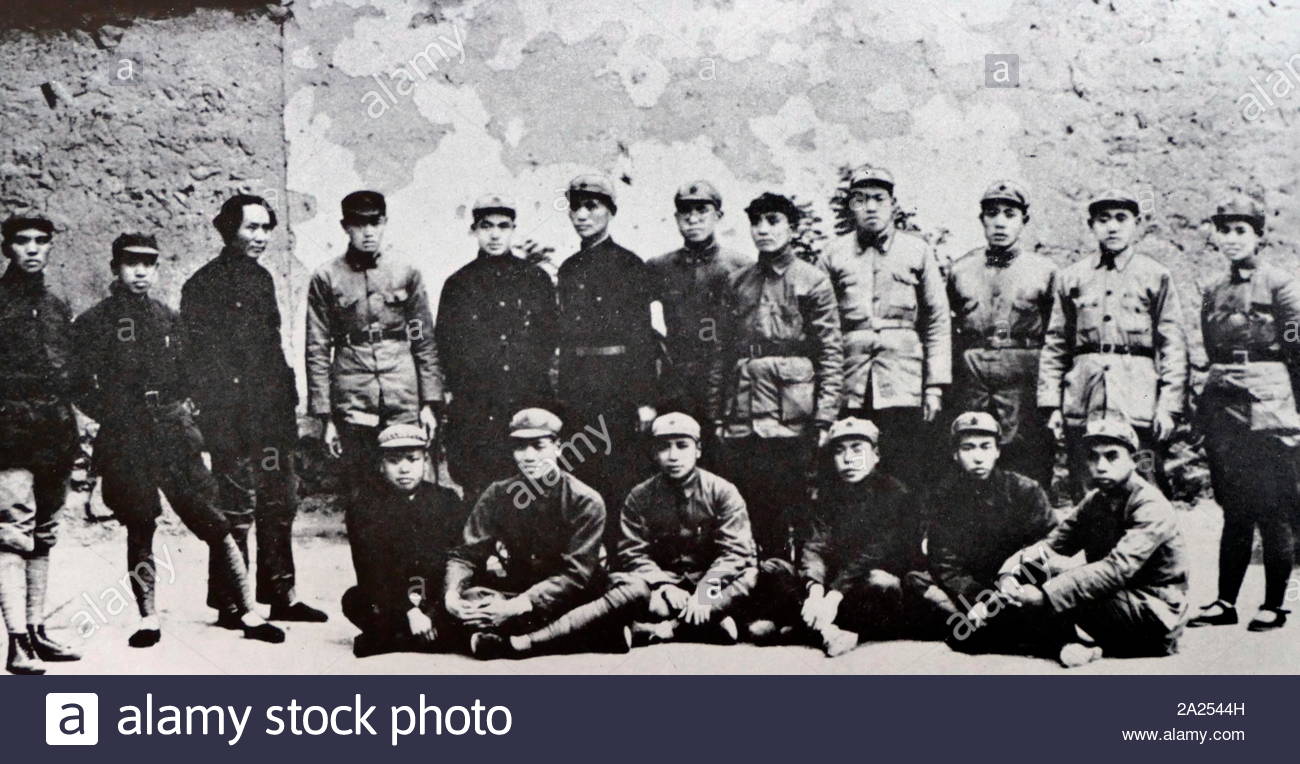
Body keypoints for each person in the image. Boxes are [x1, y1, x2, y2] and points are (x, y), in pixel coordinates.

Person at [74, 233, 286, 648]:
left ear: (156, 269)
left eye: (148, 264)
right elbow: (80, 385)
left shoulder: (169, 319)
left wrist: (184, 411)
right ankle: (148, 617)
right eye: (131, 263)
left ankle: (247, 609)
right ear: (115, 267)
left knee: (213, 519)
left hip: (172, 430)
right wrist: (113, 415)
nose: (140, 271)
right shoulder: (93, 323)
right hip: (126, 435)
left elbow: (191, 371)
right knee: (140, 523)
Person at [182, 194, 326, 627]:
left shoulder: (262, 279)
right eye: (252, 228)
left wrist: (288, 404)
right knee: (236, 511)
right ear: (229, 230)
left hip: (272, 418)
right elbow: (196, 361)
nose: (261, 237)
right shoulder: (202, 285)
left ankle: (281, 595)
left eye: (266, 228)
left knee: (279, 503)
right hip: (230, 420)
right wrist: (214, 419)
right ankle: (231, 602)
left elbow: (272, 350)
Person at [709, 192, 843, 558]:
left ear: (792, 228)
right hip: (745, 412)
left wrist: (826, 415)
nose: (763, 230)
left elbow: (830, 350)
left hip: (792, 414)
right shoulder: (738, 283)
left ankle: (802, 584)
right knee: (752, 502)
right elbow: (722, 352)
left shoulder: (812, 280)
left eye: (773, 221)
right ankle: (762, 581)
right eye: (756, 222)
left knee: (798, 502)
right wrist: (717, 413)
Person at [1187, 196, 1299, 632]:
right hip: (1224, 403)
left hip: (1269, 400)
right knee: (1233, 506)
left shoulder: (1281, 285)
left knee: (1273, 506)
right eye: (1224, 230)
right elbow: (1210, 345)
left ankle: (1275, 604)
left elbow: (1297, 349)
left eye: (1241, 230)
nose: (1232, 239)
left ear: (1258, 236)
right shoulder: (1213, 290)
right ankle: (1225, 602)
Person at [1003, 414, 1189, 667]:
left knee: (1058, 584)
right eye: (1093, 456)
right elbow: (1054, 543)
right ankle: (1065, 644)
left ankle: (1062, 643)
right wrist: (1010, 571)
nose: (1101, 465)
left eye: (1111, 456)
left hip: (1154, 615)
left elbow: (1116, 569)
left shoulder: (1150, 504)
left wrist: (1045, 595)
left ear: (1133, 461)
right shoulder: (1096, 500)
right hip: (1120, 602)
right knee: (1043, 569)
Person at [1038, 190, 1188, 500]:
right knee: (1088, 491)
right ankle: (1098, 551)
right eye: (1103, 220)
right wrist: (1052, 404)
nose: (1112, 227)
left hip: (1137, 399)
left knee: (1144, 487)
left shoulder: (1155, 275)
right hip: (1084, 399)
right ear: (1091, 225)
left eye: (1121, 219)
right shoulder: (1072, 278)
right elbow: (1055, 343)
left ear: (1137, 224)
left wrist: (1169, 406)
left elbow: (1173, 343)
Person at [818, 164, 950, 495]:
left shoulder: (917, 250)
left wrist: (934, 386)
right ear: (851, 206)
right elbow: (822, 327)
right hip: (851, 380)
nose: (871, 207)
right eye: (861, 199)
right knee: (849, 468)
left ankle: (906, 545)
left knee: (904, 470)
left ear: (893, 203)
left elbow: (936, 319)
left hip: (903, 382)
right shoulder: (833, 254)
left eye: (878, 198)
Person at [305, 190, 443, 494]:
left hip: (402, 394)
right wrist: (325, 418)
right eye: (358, 224)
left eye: (374, 223)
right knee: (361, 489)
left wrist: (430, 402)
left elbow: (422, 338)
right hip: (353, 398)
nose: (368, 232)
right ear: (345, 227)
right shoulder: (326, 277)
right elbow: (317, 347)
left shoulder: (406, 271)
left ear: (384, 223)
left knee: (409, 486)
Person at [750, 417, 925, 657]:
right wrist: (814, 590)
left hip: (862, 588)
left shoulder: (896, 494)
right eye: (839, 451)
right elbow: (815, 544)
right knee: (774, 569)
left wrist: (833, 595)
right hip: (829, 589)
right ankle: (826, 631)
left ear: (876, 454)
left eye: (857, 449)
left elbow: (874, 554)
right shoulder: (826, 493)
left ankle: (814, 628)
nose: (848, 458)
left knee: (882, 584)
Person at [443, 408, 611, 658]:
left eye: (538, 446)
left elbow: (576, 574)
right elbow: (465, 555)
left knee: (631, 590)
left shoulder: (585, 500)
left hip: (568, 597)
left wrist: (516, 606)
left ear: (558, 447)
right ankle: (592, 636)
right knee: (471, 600)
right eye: (520, 447)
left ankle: (519, 641)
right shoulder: (498, 494)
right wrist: (452, 596)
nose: (528, 456)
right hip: (515, 592)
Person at [555, 174, 657, 550]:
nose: (582, 215)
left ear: (610, 212)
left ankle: (621, 561)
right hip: (579, 388)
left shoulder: (630, 266)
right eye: (576, 207)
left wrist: (645, 400)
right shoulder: (567, 269)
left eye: (592, 207)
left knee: (618, 478)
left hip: (618, 388)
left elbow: (642, 338)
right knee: (582, 474)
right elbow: (566, 342)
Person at [436, 194, 558, 503]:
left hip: (526, 400)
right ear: (474, 230)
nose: (494, 234)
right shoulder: (458, 284)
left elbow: (548, 339)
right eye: (486, 226)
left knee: (530, 486)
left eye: (503, 227)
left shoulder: (536, 280)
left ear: (513, 229)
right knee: (480, 489)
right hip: (477, 408)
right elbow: (446, 346)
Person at [0, 215, 82, 674]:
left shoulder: (55, 306)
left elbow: (67, 372)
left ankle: (35, 630)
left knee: (44, 534)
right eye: (22, 241)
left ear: (50, 247)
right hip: (8, 436)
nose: (32, 249)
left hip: (53, 435)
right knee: (13, 530)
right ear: (7, 248)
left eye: (41, 242)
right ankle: (14, 641)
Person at [913, 412, 1056, 654]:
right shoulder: (944, 497)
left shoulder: (1025, 490)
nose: (978, 457)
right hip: (969, 585)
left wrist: (1012, 584)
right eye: (968, 448)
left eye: (985, 447)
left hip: (1016, 582)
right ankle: (1010, 630)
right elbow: (944, 561)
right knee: (917, 580)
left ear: (997, 451)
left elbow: (1050, 543)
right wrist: (978, 597)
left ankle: (989, 627)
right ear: (955, 454)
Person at [947, 181, 1057, 487]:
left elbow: (1057, 334)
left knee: (1027, 457)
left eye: (1009, 214)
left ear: (1024, 221)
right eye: (992, 214)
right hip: (974, 378)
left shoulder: (1044, 271)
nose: (999, 222)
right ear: (982, 220)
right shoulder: (961, 270)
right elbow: (948, 329)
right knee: (973, 451)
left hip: (1023, 380)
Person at [342, 424, 466, 657]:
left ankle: (391, 639)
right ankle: (427, 638)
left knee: (470, 598)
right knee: (354, 599)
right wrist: (409, 611)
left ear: (426, 461)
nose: (404, 469)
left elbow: (457, 558)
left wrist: (431, 613)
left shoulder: (446, 500)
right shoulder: (364, 506)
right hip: (391, 596)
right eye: (394, 461)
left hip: (436, 595)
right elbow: (370, 568)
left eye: (412, 459)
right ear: (381, 465)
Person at [647, 181, 751, 427]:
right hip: (676, 379)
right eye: (685, 212)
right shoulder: (659, 267)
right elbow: (634, 319)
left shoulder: (740, 266)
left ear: (718, 215)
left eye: (702, 210)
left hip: (726, 378)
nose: (693, 219)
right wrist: (659, 347)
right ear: (676, 217)